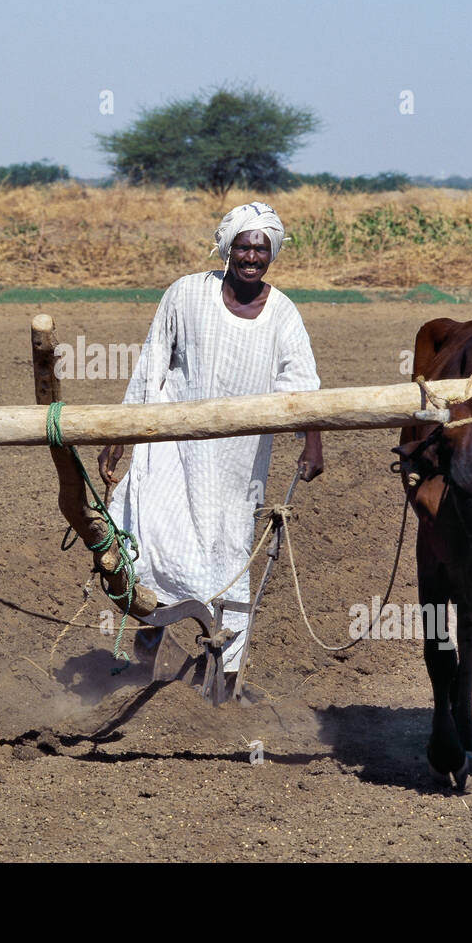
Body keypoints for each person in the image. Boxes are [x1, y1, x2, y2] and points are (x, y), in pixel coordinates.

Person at [98, 201, 323, 698]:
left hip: (238, 461)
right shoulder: (185, 294)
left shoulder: (283, 313)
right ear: (226, 248)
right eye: (242, 246)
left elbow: (302, 383)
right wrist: (120, 435)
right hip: (173, 444)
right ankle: (149, 638)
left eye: (261, 249)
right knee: (151, 530)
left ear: (273, 255)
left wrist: (313, 442)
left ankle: (227, 675)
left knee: (228, 548)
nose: (250, 257)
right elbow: (151, 363)